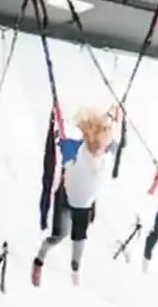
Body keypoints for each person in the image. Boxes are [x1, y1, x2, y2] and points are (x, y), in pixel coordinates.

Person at [32, 108, 117, 287]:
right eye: (99, 148)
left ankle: (75, 268)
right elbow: (62, 147)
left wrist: (111, 118)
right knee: (60, 235)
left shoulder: (106, 153)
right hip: (67, 199)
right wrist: (59, 138)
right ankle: (39, 259)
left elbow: (115, 144)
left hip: (85, 205)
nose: (101, 151)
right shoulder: (75, 153)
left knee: (79, 237)